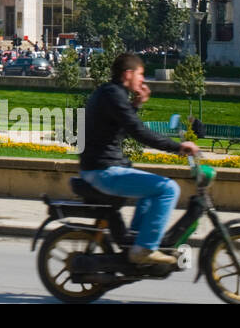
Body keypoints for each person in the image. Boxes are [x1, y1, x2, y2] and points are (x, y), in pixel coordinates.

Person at [80, 53, 200, 268]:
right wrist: (178, 147)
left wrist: (135, 105)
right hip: (104, 171)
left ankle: (135, 242)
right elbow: (138, 131)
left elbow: (118, 128)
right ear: (128, 74)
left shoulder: (111, 94)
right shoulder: (113, 95)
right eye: (141, 74)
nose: (143, 80)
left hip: (102, 168)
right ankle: (144, 249)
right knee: (168, 189)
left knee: (152, 190)